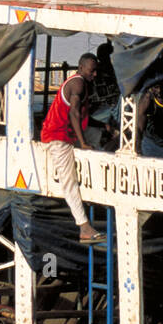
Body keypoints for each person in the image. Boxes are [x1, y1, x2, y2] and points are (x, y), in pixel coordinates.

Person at [40, 54, 104, 243]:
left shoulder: (81, 83)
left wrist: (104, 127)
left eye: (95, 70)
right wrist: (83, 143)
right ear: (81, 67)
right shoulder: (78, 84)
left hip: (68, 133)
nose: (94, 73)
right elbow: (74, 113)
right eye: (91, 70)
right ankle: (84, 227)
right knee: (69, 182)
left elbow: (82, 116)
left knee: (101, 135)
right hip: (57, 136)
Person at [135, 75, 163, 157]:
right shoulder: (147, 99)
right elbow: (139, 127)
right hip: (151, 145)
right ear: (151, 88)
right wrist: (137, 147)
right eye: (156, 87)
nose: (159, 90)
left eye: (162, 86)